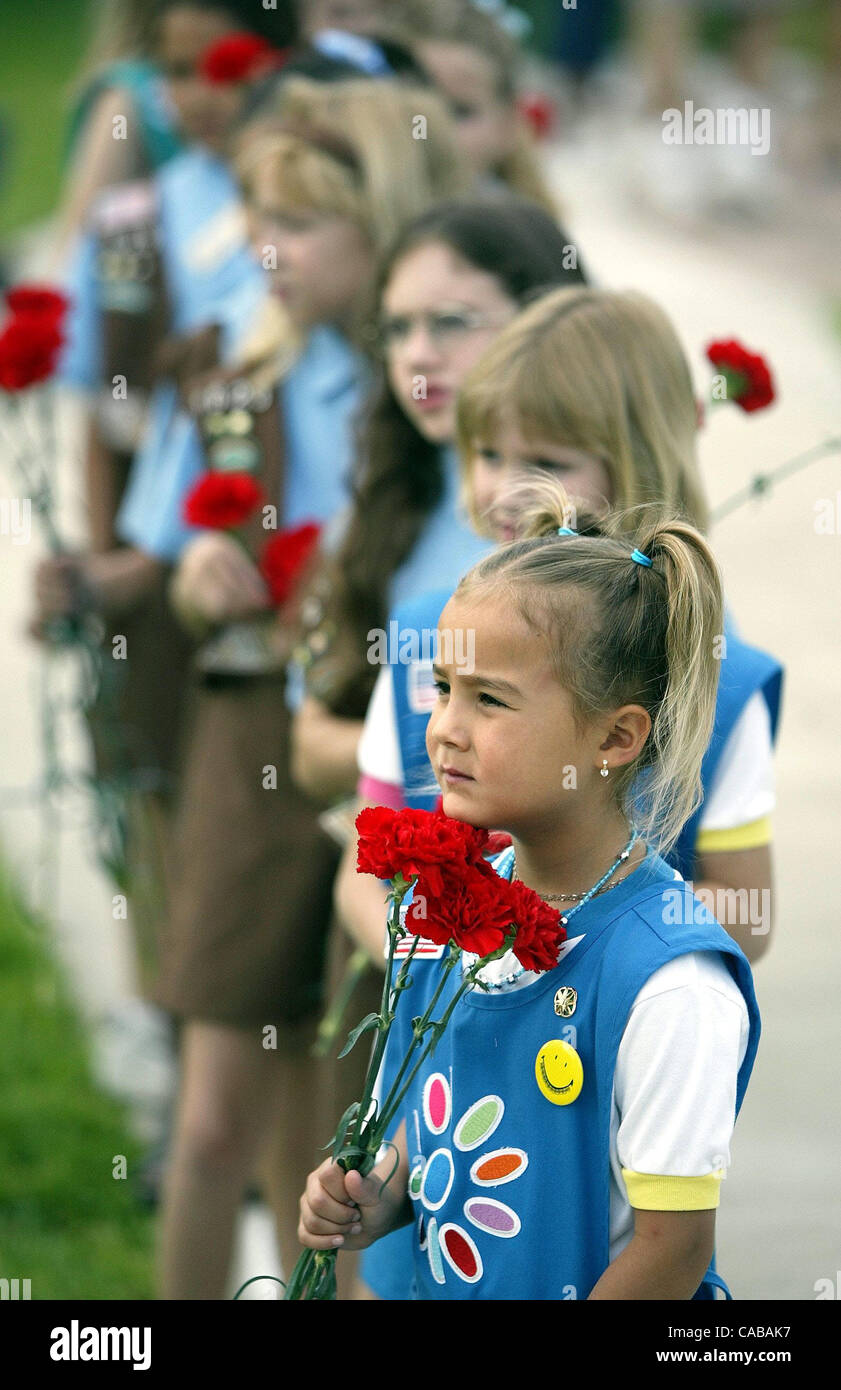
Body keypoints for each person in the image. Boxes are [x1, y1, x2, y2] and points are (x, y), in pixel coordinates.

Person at [116, 75, 467, 1299]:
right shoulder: (232, 382)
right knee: (216, 1114)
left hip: (404, 770)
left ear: (382, 237)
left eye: (303, 221)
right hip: (253, 746)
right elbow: (166, 560)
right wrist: (198, 585)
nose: (267, 244)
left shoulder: (422, 403)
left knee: (346, 1125)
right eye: (256, 213)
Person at [297, 482, 761, 1301]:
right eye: (443, 689)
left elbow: (671, 1251)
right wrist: (374, 1198)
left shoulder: (668, 981)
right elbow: (435, 1134)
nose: (444, 726)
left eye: (489, 699)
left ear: (614, 738)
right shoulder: (451, 911)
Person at [340, 287, 782, 976]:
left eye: (547, 461)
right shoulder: (426, 639)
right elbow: (360, 873)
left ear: (640, 457)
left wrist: (569, 931)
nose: (508, 490)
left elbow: (747, 906)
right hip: (436, 1027)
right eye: (487, 453)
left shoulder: (717, 677)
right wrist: (437, 968)